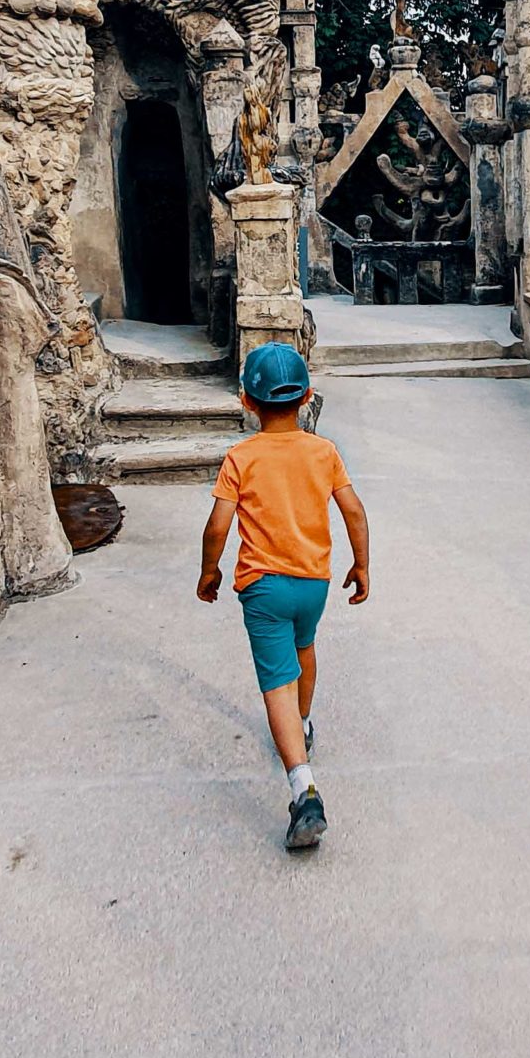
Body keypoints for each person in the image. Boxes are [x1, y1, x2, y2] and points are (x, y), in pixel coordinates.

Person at [197, 341, 371, 850]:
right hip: (313, 583)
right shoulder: (324, 452)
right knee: (304, 648)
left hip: (263, 587)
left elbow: (217, 525)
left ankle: (303, 790)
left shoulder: (240, 457)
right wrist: (361, 564)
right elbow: (355, 512)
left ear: (246, 402)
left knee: (276, 681)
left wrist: (210, 571)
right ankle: (305, 722)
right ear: (308, 396)